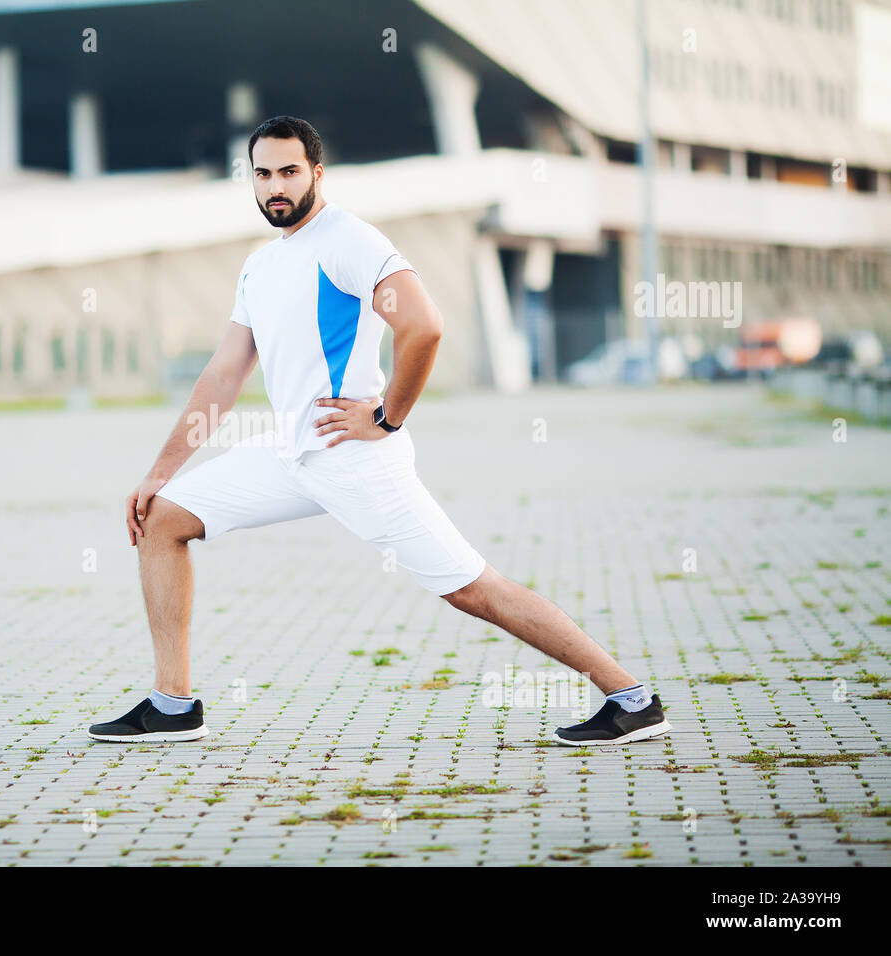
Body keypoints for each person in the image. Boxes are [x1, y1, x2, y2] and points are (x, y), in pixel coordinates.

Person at [87, 116, 670, 747]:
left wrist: (387, 416)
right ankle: (172, 707)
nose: (275, 186)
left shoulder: (348, 241)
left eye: (289, 172)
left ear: (316, 173)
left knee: (474, 590)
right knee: (164, 518)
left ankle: (630, 697)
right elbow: (223, 376)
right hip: (290, 453)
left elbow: (424, 325)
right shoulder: (260, 266)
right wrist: (158, 473)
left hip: (353, 456)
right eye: (263, 174)